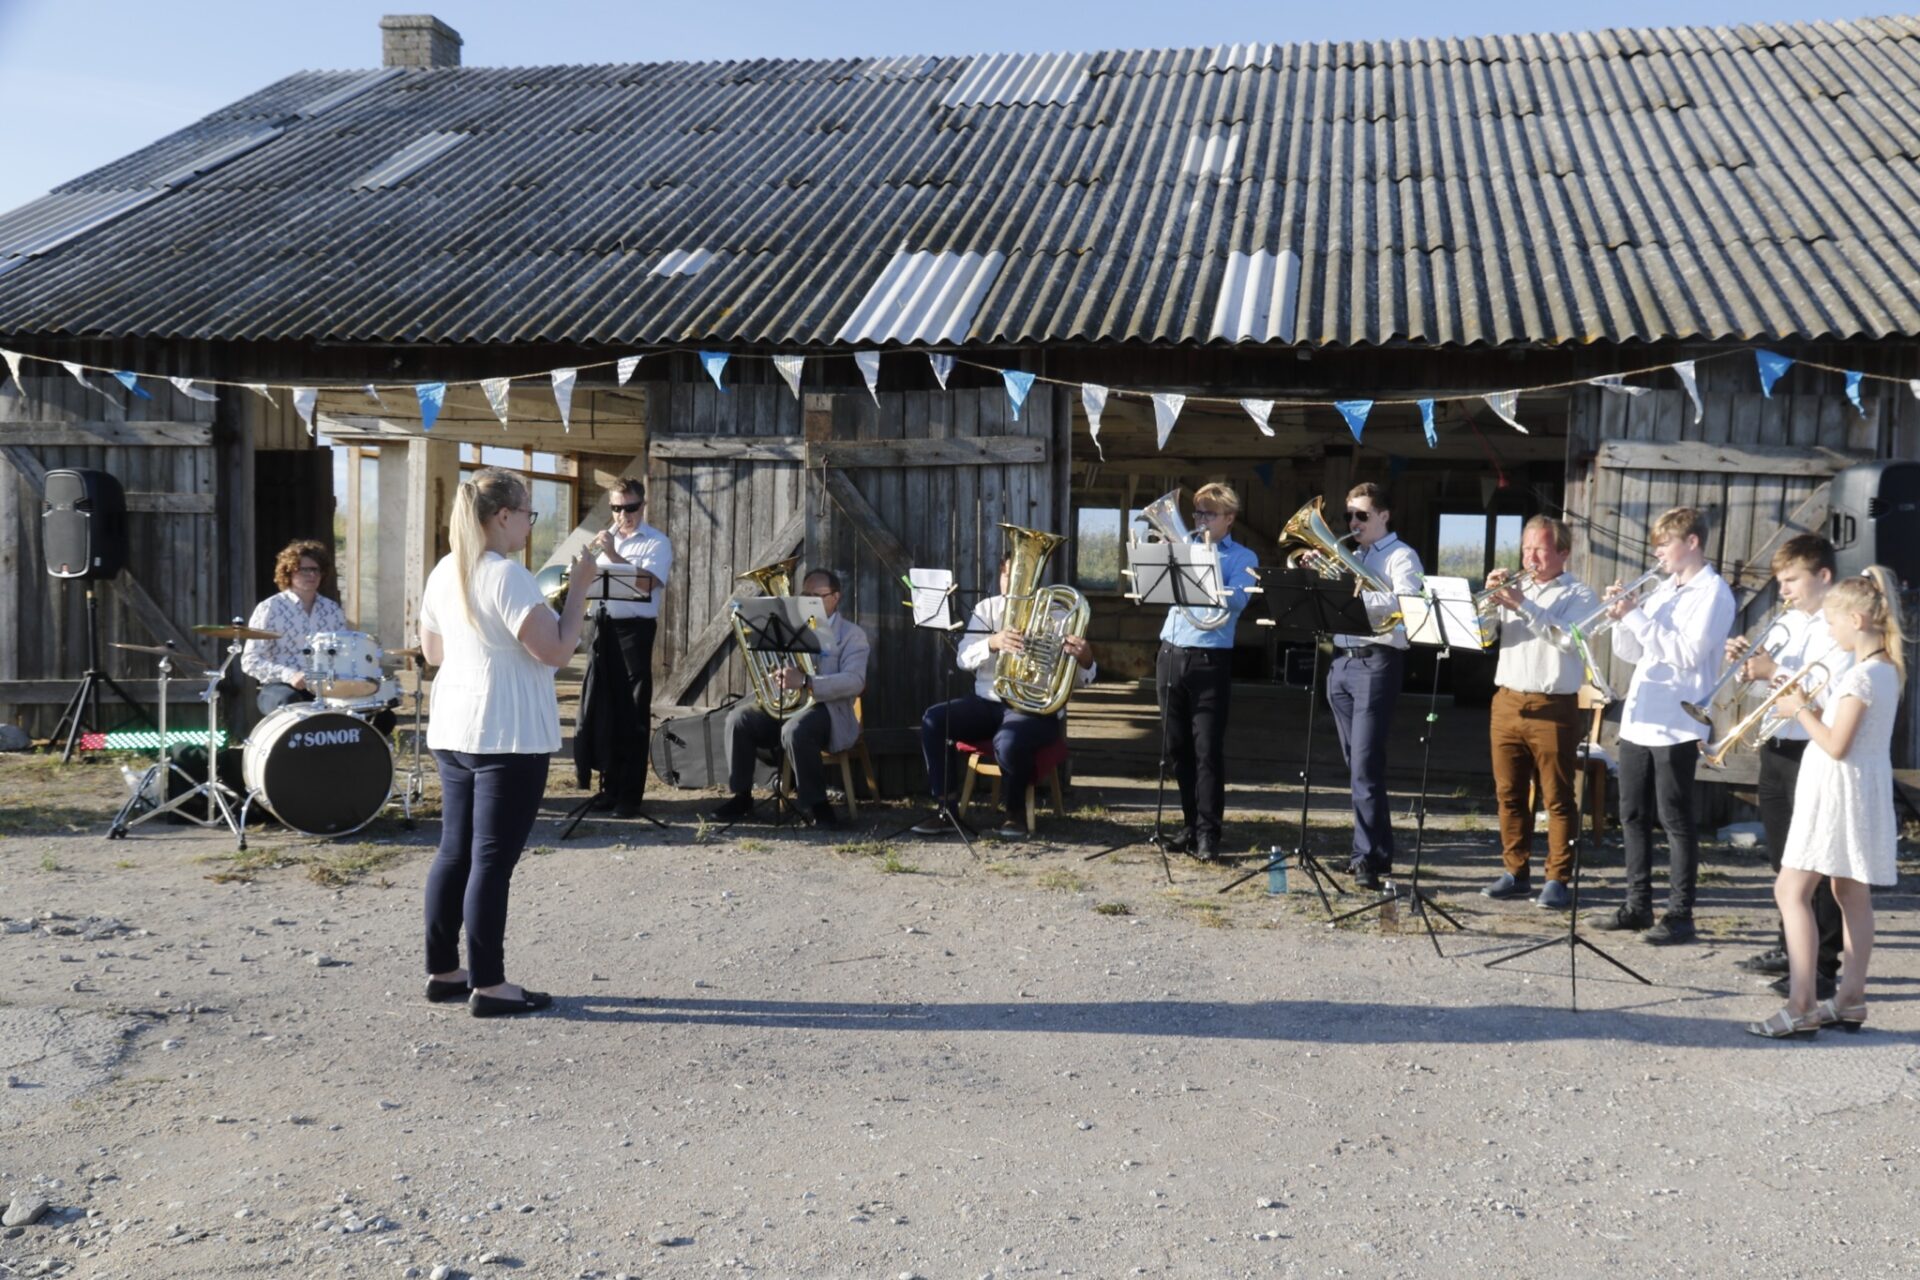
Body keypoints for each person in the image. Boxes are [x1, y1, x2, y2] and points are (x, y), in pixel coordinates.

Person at [418, 468, 593, 1019]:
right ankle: (489, 985)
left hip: (455, 724)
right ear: (502, 516)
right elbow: (557, 651)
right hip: (507, 730)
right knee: (491, 860)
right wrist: (581, 588)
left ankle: (444, 970)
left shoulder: (447, 570)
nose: (528, 525)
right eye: (527, 514)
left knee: (454, 851)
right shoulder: (508, 575)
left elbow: (433, 653)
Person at [1747, 566, 1905, 1038]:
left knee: (1789, 891)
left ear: (1856, 621)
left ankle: (1801, 1005)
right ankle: (1850, 999)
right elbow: (1846, 733)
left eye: (1834, 624)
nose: (1830, 632)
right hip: (1859, 787)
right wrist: (1807, 705)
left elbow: (1836, 744)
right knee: (1849, 893)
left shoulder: (1861, 677)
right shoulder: (1884, 671)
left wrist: (1798, 711)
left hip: (1837, 790)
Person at [1588, 506, 1735, 945]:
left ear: (1692, 543)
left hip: (1677, 720)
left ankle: (1680, 914)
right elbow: (1635, 652)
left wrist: (1634, 614)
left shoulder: (1714, 593)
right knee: (1631, 813)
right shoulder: (1666, 588)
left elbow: (1687, 654)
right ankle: (1638, 905)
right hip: (1641, 715)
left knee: (1675, 818)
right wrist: (1621, 617)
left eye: (1664, 544)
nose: (1657, 554)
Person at [1726, 536, 1850, 999]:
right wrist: (1748, 670)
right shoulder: (1790, 622)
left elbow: (1827, 696)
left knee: (1814, 863)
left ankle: (1821, 967)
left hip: (1812, 751)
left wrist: (1771, 668)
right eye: (1780, 582)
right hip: (1778, 748)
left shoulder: (1839, 629)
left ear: (1823, 576)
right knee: (1783, 860)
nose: (1785, 591)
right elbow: (1771, 697)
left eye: (1792, 580)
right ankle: (1789, 946)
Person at [913, 557, 1097, 840]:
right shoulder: (987, 609)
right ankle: (946, 810)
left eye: (1023, 576)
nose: (1013, 582)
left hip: (1035, 709)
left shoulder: (1060, 614)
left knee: (1009, 740)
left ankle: (1015, 815)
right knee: (934, 720)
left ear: (1037, 580)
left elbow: (1083, 679)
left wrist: (1085, 659)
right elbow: (963, 658)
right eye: (1009, 575)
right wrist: (991, 642)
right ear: (1001, 576)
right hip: (988, 702)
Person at [1478, 515, 1601, 910]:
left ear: (1563, 552)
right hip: (1508, 700)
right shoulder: (1516, 588)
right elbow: (1483, 637)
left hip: (1553, 705)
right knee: (1508, 794)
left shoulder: (1580, 595)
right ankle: (1515, 872)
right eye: (1526, 548)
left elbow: (1568, 641)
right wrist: (1487, 601)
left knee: (1557, 797)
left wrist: (1524, 605)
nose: (1530, 557)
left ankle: (1558, 879)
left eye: (1540, 549)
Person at [711, 568, 870, 828]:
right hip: (789, 703)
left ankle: (817, 805)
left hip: (828, 710)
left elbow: (855, 681)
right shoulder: (787, 627)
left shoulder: (852, 635)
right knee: (739, 719)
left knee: (796, 730)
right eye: (805, 594)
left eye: (817, 595)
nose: (809, 601)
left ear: (835, 597)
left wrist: (807, 682)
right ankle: (741, 797)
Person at [1323, 482, 1424, 890]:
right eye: (1350, 515)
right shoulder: (1354, 556)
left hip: (1376, 663)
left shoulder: (1402, 556)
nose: (1353, 522)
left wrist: (1356, 596)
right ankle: (1377, 854)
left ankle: (1365, 856)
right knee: (1358, 766)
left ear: (1384, 515)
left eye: (1361, 515)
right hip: (1342, 665)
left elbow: (1406, 602)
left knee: (1364, 766)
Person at [1155, 483, 1259, 859]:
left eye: (1208, 514)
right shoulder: (1182, 550)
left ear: (1229, 519)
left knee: (1207, 751)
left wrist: (1205, 562)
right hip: (1171, 651)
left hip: (1210, 658)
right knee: (1176, 747)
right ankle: (1188, 824)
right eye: (1197, 512)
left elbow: (1240, 601)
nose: (1199, 520)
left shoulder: (1243, 557)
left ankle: (1208, 833)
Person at [582, 478, 672, 818]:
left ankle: (630, 795)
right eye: (617, 508)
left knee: (632, 710)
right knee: (604, 708)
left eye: (630, 508)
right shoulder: (604, 539)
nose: (624, 515)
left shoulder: (656, 543)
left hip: (634, 630)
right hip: (602, 626)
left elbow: (649, 583)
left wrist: (612, 554)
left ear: (642, 505)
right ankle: (608, 787)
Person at [241, 539, 350, 714]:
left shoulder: (332, 610)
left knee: (379, 713)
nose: (311, 575)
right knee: (290, 701)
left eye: (315, 570)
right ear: (289, 572)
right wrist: (289, 675)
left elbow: (344, 655)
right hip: (281, 687)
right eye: (304, 570)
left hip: (324, 686)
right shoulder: (270, 608)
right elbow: (250, 661)